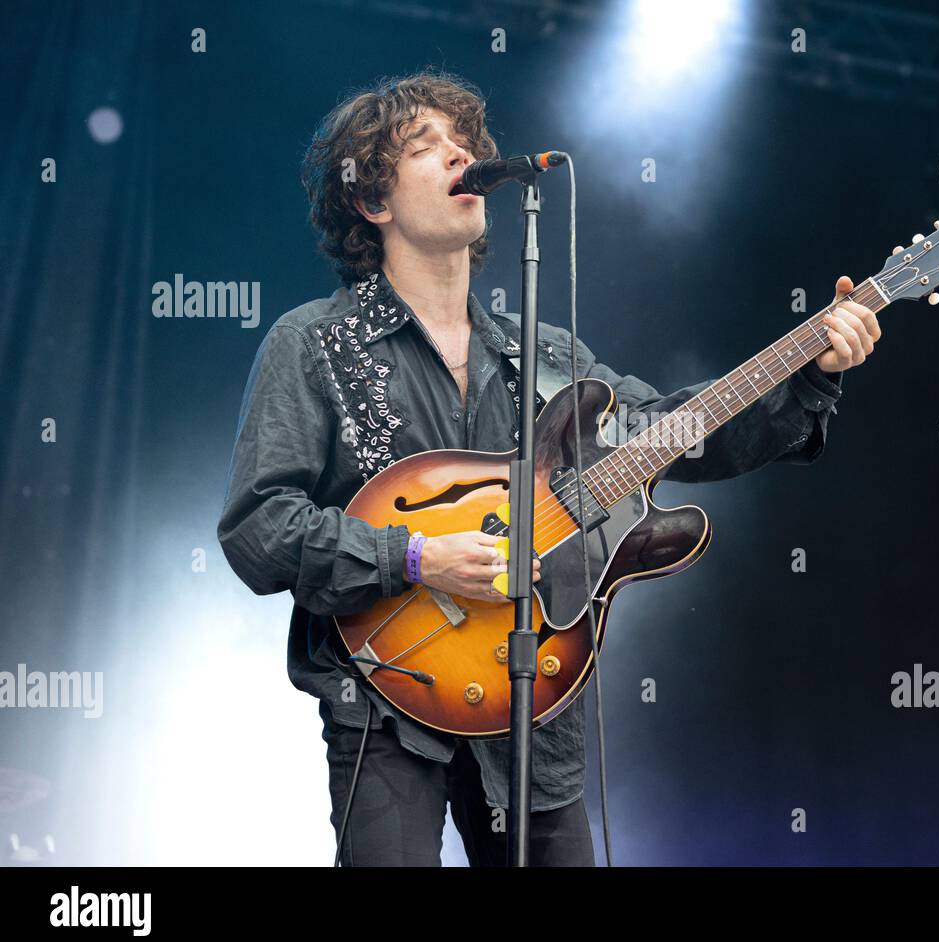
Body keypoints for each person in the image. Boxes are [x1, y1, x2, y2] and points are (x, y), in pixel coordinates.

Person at [216, 70, 879, 867]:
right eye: (428, 148)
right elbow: (259, 528)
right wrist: (418, 557)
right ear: (372, 203)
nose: (461, 156)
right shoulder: (312, 344)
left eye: (466, 144)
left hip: (536, 708)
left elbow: (683, 433)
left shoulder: (549, 355)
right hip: (385, 703)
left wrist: (808, 373)